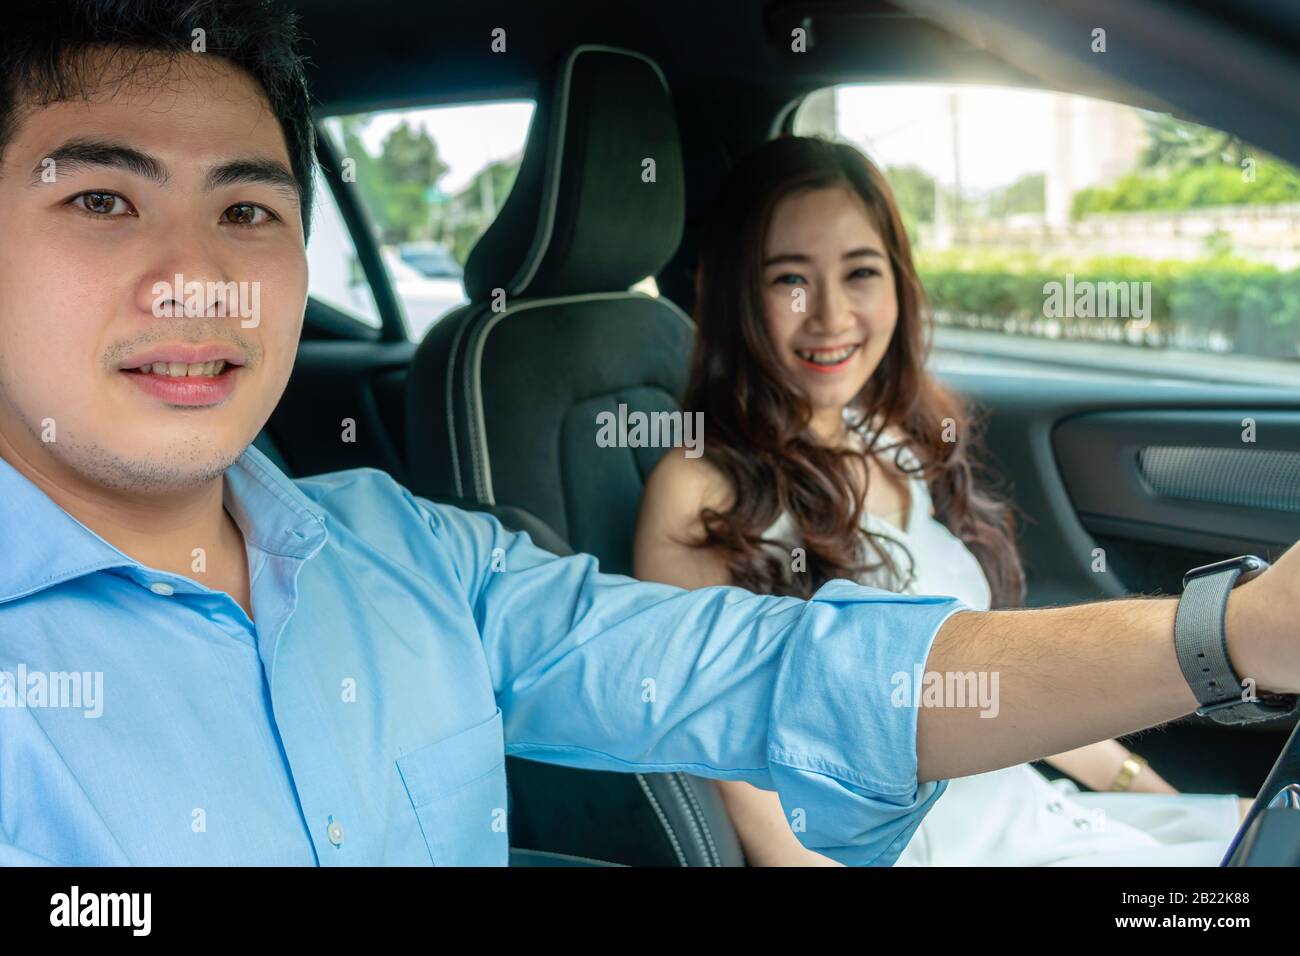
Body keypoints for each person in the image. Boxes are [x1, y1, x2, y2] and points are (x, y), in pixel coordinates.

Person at [0, 0, 1297, 867]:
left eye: (246, 214)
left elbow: (777, 677)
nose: (200, 282)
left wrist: (1230, 633)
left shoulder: (416, 560)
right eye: (103, 198)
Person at [633, 136, 1248, 865]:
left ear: (897, 282)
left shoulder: (887, 434)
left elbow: (1001, 675)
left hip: (1037, 814)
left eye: (860, 272)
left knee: (1261, 831)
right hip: (925, 852)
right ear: (735, 294)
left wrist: (1146, 793)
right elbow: (732, 770)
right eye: (789, 280)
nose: (829, 315)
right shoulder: (702, 487)